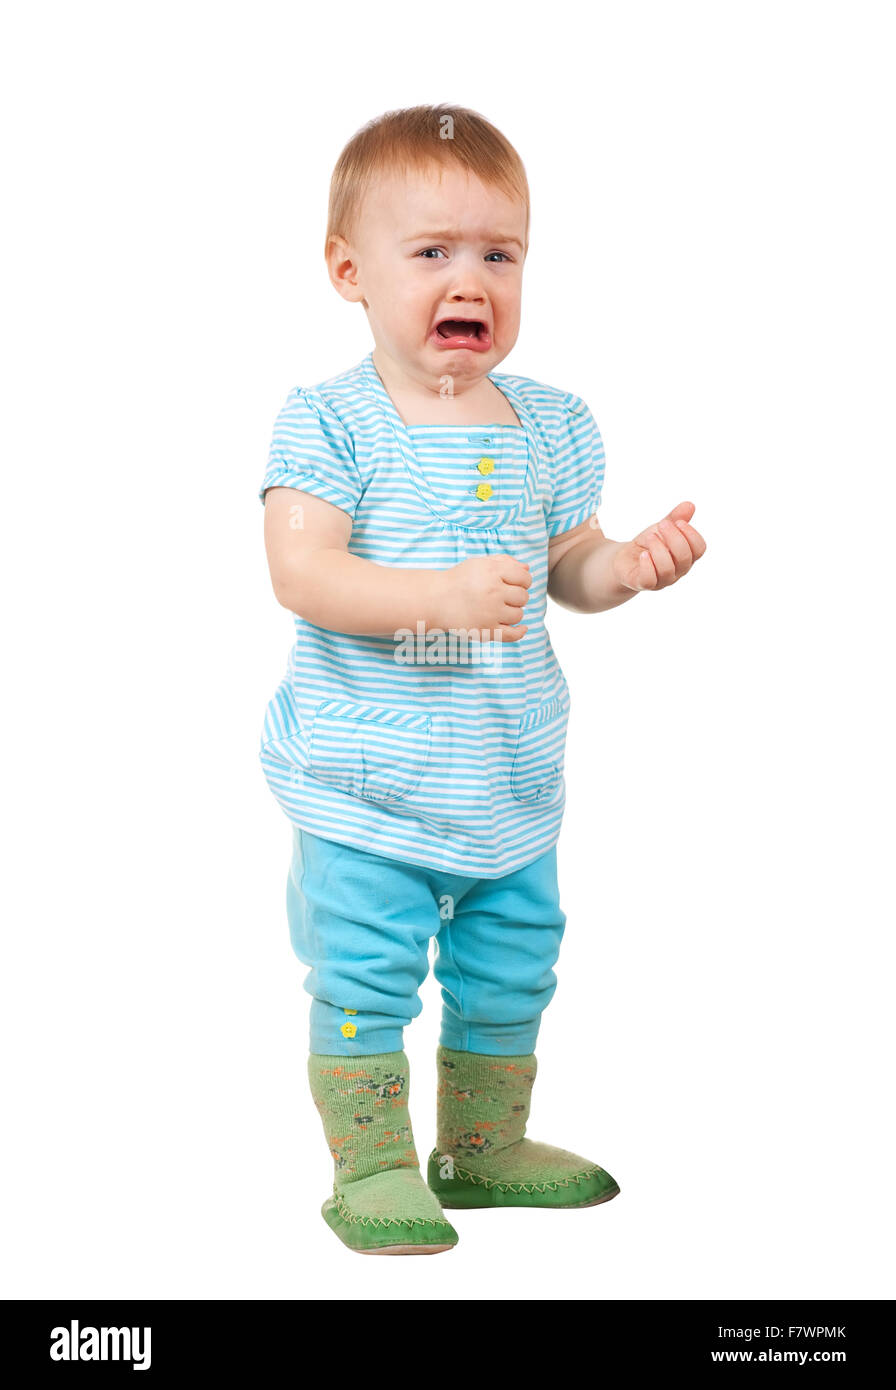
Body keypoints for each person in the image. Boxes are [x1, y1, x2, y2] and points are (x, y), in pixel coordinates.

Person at [258, 104, 706, 1255]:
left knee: (513, 965)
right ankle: (371, 1164)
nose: (472, 279)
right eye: (432, 252)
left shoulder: (550, 424)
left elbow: (570, 567)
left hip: (507, 780)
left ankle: (481, 1147)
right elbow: (301, 573)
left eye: (498, 254)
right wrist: (437, 597)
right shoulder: (330, 423)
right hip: (366, 789)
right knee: (365, 968)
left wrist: (625, 566)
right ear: (348, 271)